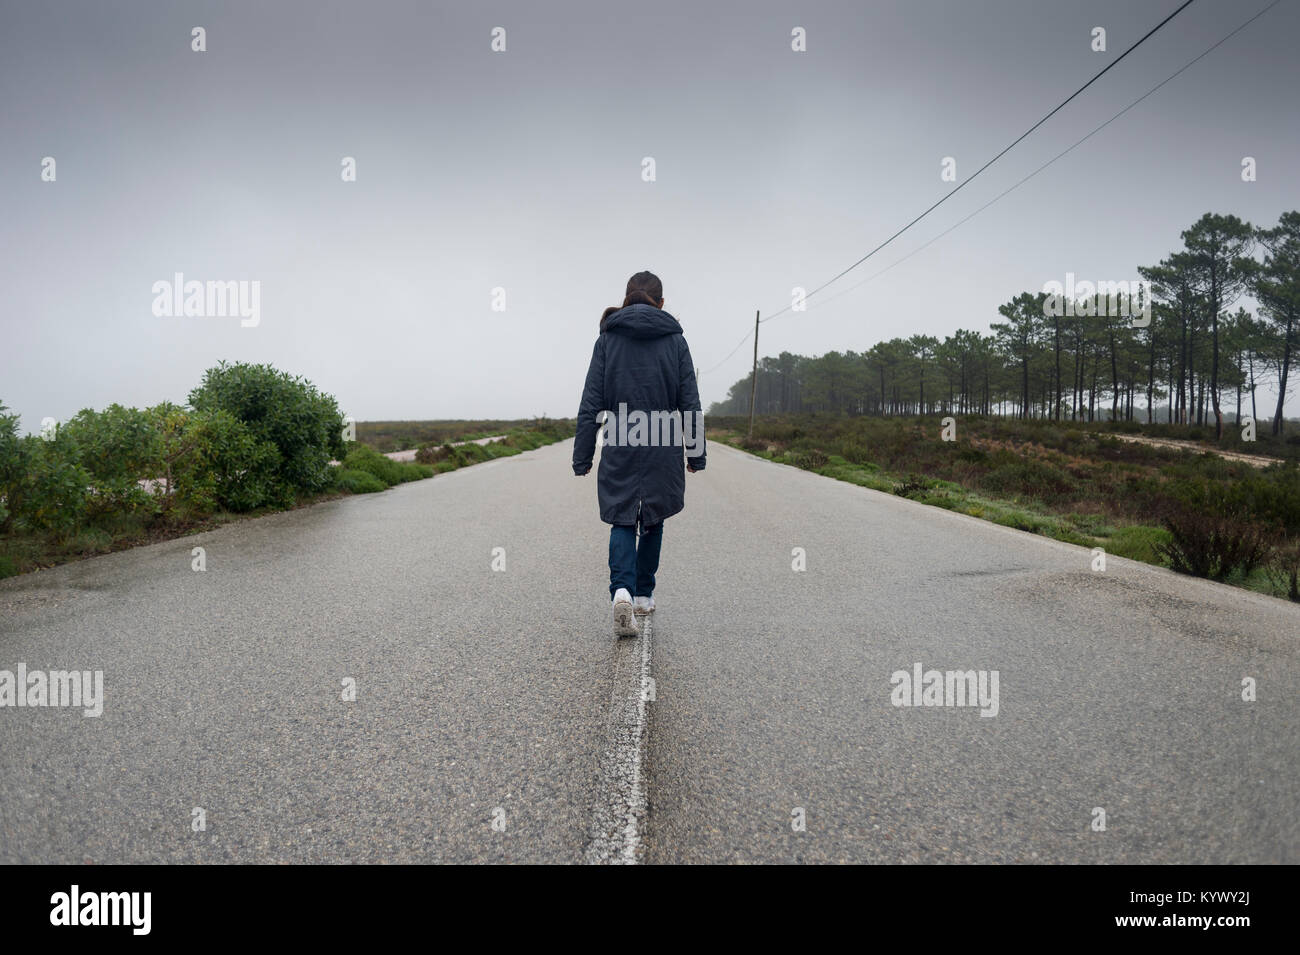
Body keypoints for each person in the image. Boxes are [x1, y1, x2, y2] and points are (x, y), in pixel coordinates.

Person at [574, 271, 706, 637]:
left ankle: (621, 591)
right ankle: (644, 595)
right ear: (661, 303)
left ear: (626, 297)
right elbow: (690, 404)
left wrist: (583, 456)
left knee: (621, 516)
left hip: (620, 437)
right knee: (653, 516)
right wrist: (696, 454)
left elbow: (591, 404)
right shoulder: (676, 341)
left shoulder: (608, 339)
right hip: (663, 441)